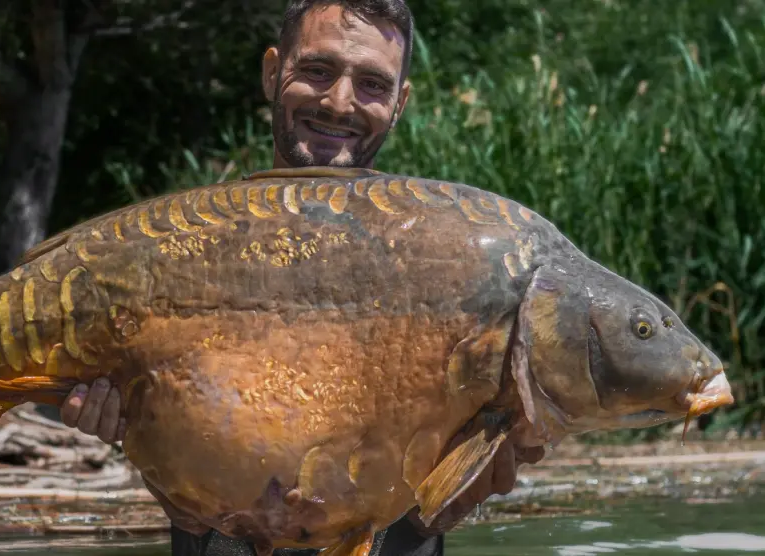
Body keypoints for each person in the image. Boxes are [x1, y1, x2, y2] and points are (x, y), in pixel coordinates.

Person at [59, 1, 545, 555]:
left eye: (371, 84)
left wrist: (450, 499)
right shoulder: (188, 249)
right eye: (317, 71)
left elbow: (443, 487)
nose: (340, 103)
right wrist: (137, 434)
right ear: (272, 72)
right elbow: (184, 483)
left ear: (399, 103)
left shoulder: (443, 261)